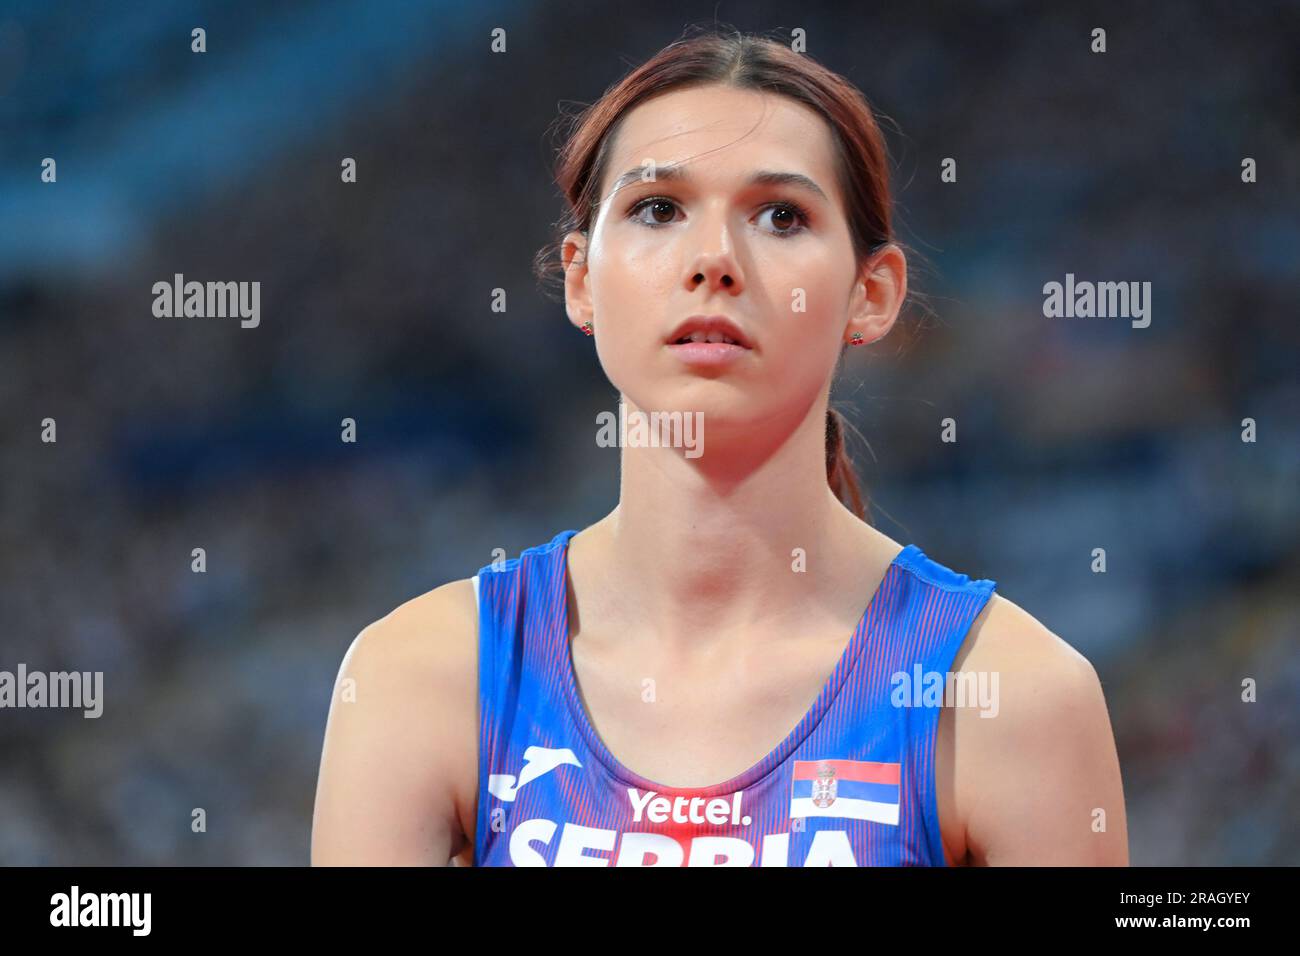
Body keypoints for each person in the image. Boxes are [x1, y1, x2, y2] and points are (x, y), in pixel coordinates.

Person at [311, 29, 1128, 867]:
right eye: (658, 209)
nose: (714, 261)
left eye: (781, 216)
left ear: (872, 295)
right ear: (582, 280)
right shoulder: (421, 678)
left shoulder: (1010, 698)